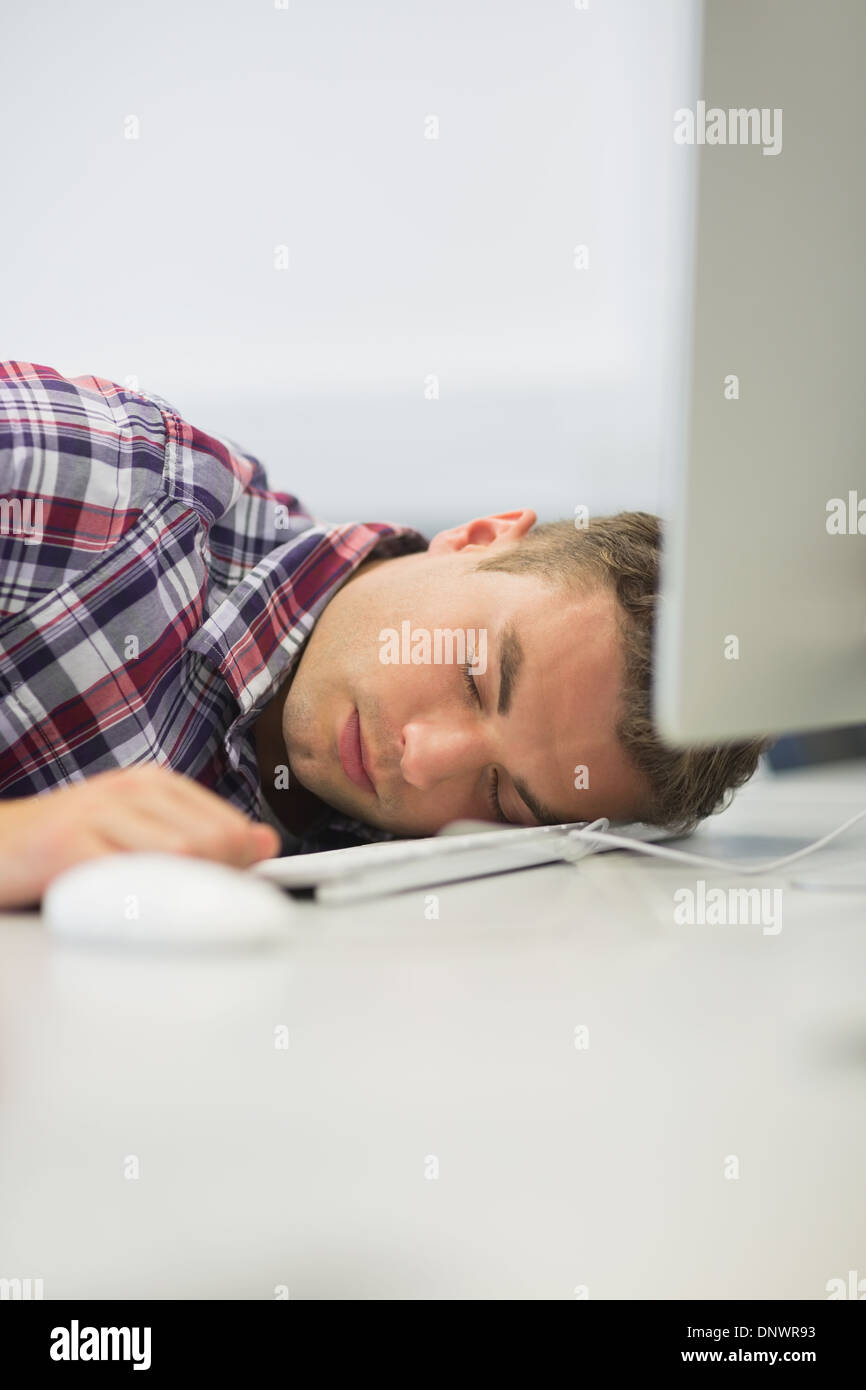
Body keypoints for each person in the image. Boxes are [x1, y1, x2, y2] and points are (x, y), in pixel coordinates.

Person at [0, 361, 768, 907]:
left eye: (499, 798)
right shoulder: (101, 487)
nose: (426, 763)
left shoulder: (394, 872)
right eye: (473, 674)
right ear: (477, 536)